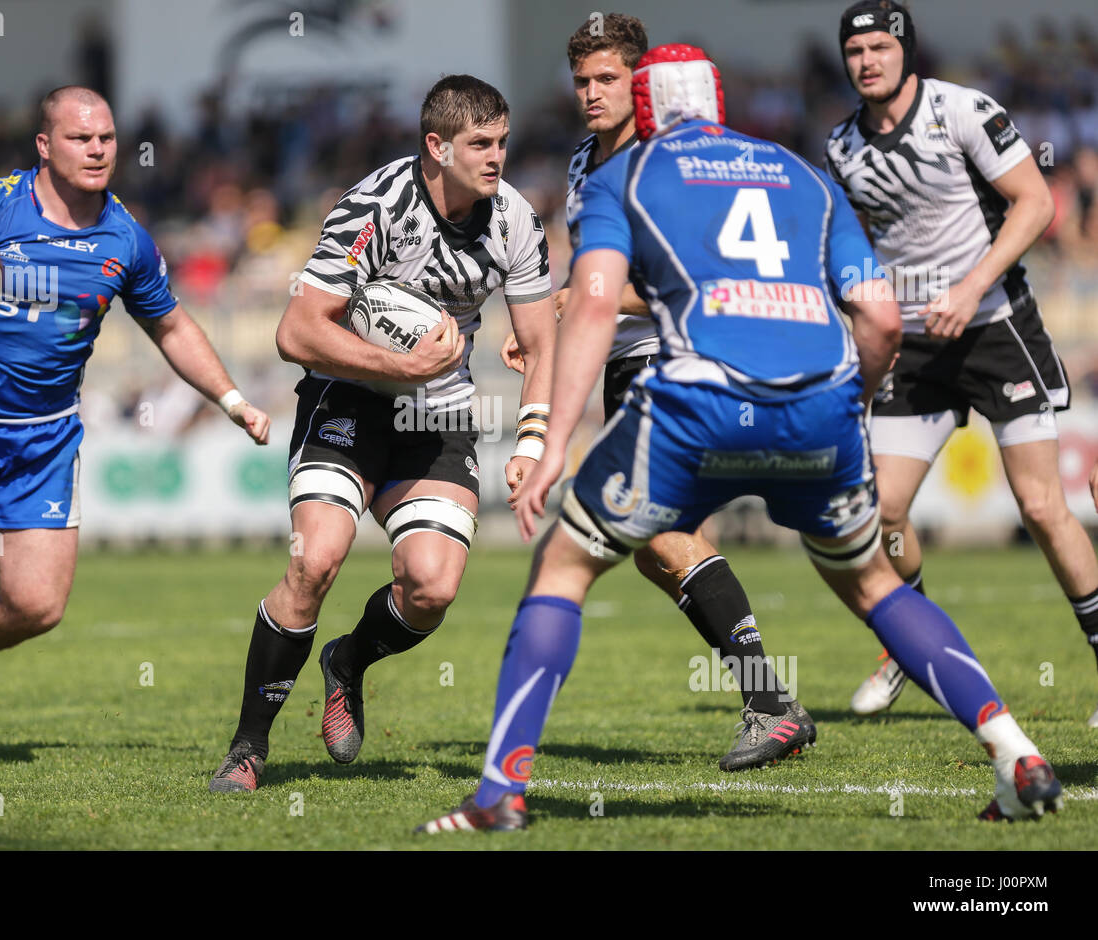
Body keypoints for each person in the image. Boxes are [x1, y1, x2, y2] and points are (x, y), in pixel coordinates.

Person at [416, 44, 1063, 833]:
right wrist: (848, 401)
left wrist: (550, 437)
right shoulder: (804, 177)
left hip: (699, 405)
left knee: (564, 565)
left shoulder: (625, 176)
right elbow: (883, 317)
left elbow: (588, 308)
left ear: (645, 110)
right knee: (874, 587)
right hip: (819, 408)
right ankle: (1015, 751)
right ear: (720, 100)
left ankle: (498, 795)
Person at [0, 86, 270, 773]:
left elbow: (170, 325)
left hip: (47, 437)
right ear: (44, 146)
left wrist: (232, 399)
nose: (96, 150)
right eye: (80, 138)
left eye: (107, 138)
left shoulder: (125, 237)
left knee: (36, 606)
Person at [207, 74, 556, 793]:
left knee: (430, 588)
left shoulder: (516, 217)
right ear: (437, 145)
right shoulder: (374, 206)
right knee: (316, 562)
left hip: (439, 412)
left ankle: (349, 662)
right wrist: (399, 362)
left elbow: (540, 339)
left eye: (503, 143)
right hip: (350, 399)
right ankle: (248, 748)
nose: (497, 158)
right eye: (480, 144)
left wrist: (531, 438)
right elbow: (295, 331)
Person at [500, 13, 814, 770]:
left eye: (606, 78)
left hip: (678, 358)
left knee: (656, 532)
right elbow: (587, 273)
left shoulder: (669, 157)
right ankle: (772, 700)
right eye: (580, 81)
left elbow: (701, 280)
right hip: (625, 364)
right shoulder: (583, 161)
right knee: (651, 546)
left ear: (640, 83)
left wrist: (585, 301)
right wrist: (555, 323)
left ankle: (771, 704)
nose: (589, 94)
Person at [823, 0, 1098, 726]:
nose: (867, 62)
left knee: (1042, 506)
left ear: (906, 51)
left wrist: (970, 286)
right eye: (855, 53)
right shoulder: (842, 146)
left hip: (994, 328)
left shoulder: (963, 110)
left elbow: (1034, 203)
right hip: (911, 347)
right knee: (877, 512)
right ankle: (907, 643)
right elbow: (856, 247)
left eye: (880, 47)